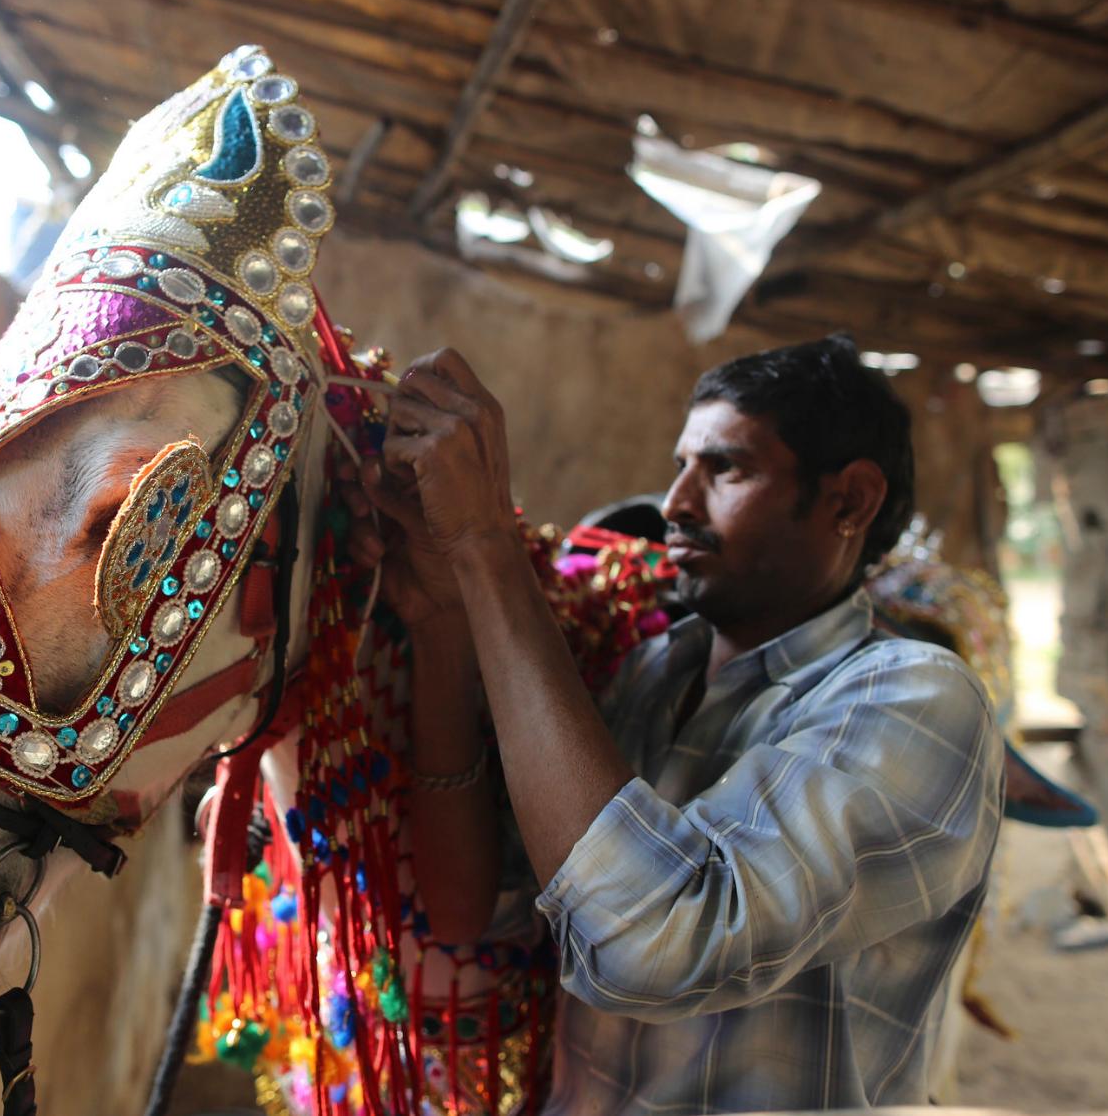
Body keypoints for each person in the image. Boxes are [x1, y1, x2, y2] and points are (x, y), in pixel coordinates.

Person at [344, 336, 1003, 1113]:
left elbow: (655, 948)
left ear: (849, 502)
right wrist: (439, 620)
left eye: (725, 468)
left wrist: (485, 547)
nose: (675, 505)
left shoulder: (912, 698)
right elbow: (475, 909)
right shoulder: (651, 674)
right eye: (681, 466)